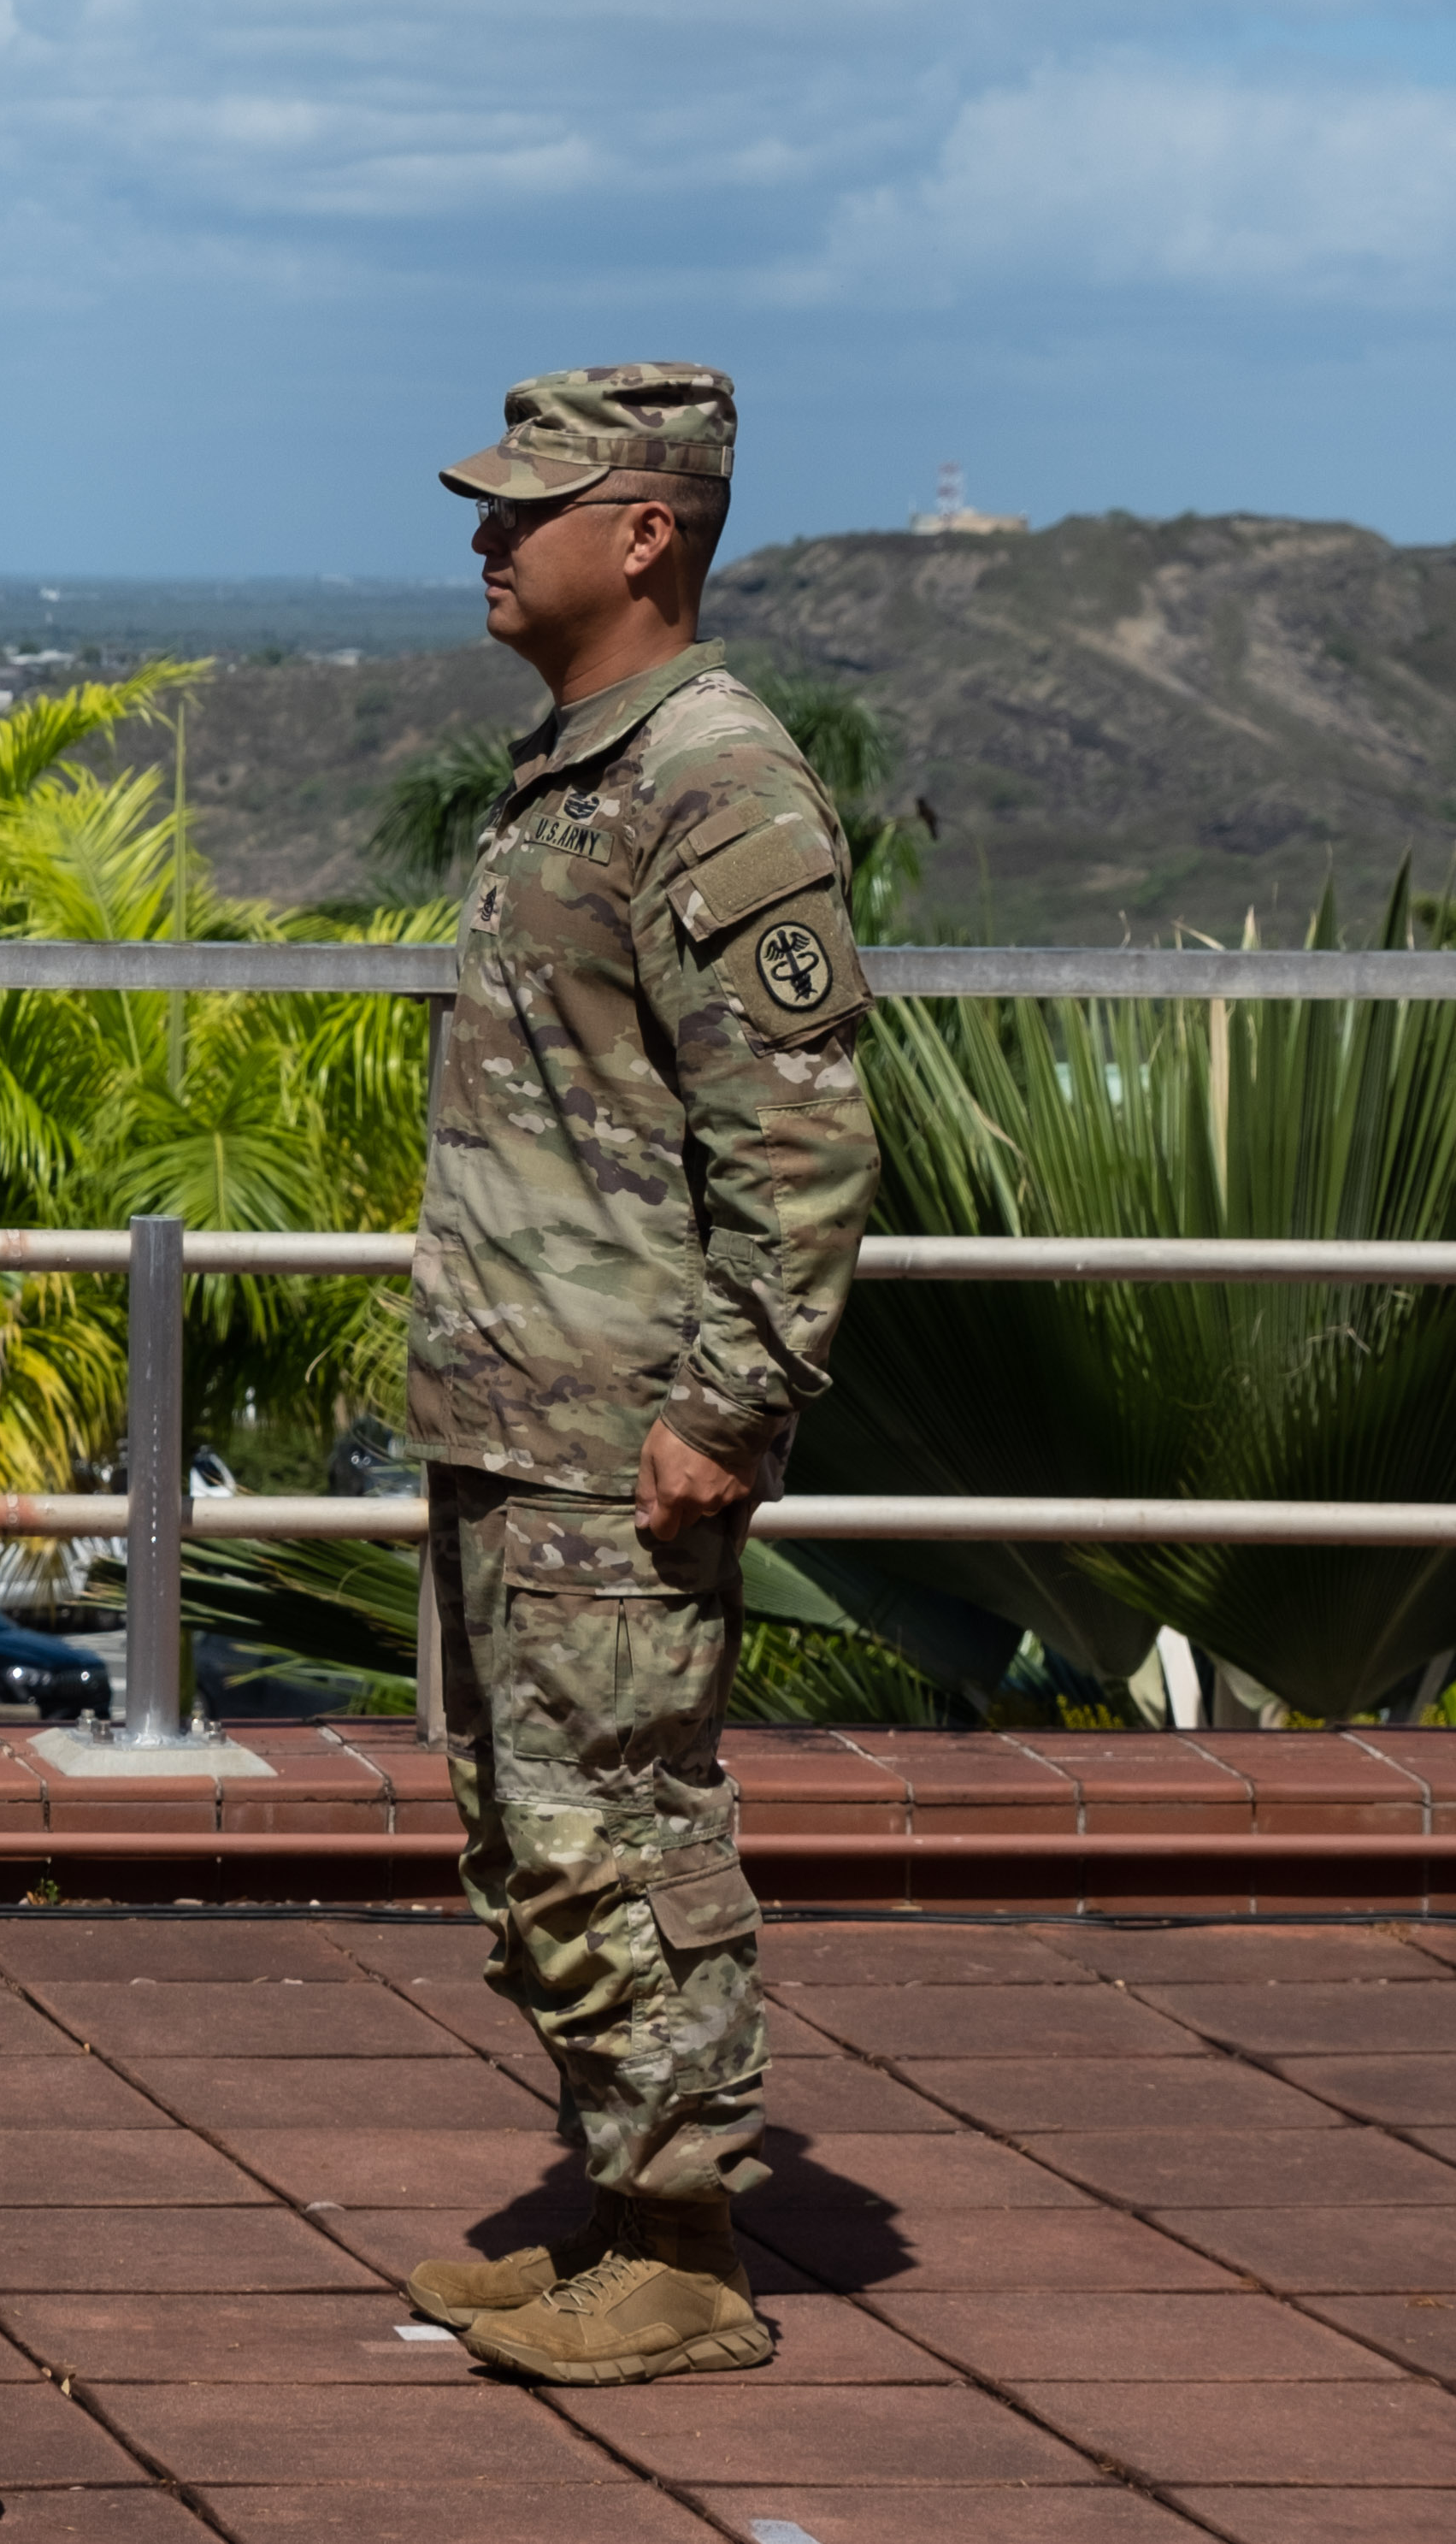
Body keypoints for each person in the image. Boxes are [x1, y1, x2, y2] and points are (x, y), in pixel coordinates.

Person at [398, 363, 878, 2387]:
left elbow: (799, 1134)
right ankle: (618, 2200)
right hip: (517, 1408)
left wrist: (730, 1404)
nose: (487, 537)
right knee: (533, 1837)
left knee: (621, 1829)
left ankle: (683, 2248)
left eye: (528, 507)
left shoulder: (712, 775)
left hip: (616, 1424)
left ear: (647, 532)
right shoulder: (576, 764)